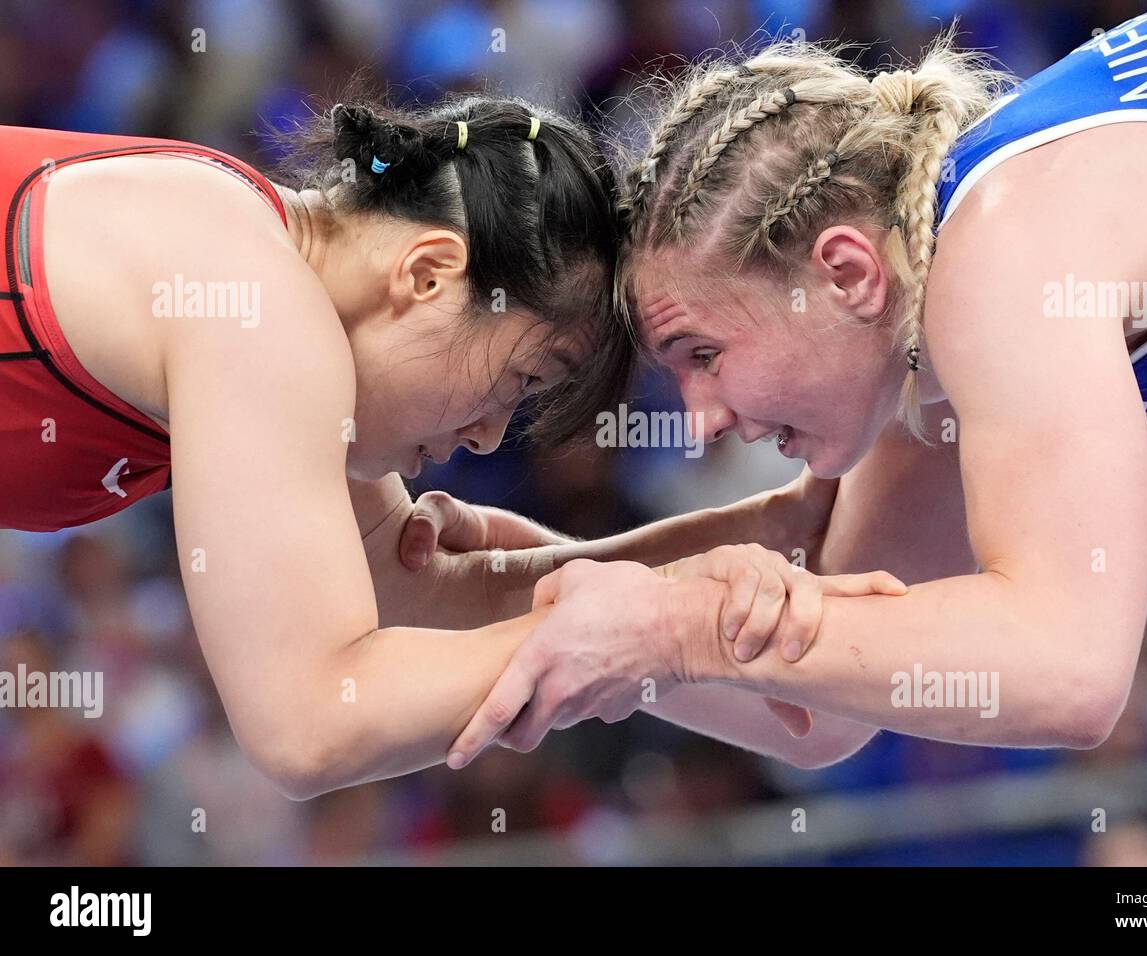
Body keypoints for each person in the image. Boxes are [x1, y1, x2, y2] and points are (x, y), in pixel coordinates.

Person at [400, 0, 1147, 766]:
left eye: (703, 354)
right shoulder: (933, 329)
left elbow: (1071, 666)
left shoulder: (1004, 259)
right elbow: (822, 714)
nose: (702, 422)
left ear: (844, 273)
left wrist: (673, 628)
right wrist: (520, 589)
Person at [0, 93, 883, 798]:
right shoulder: (257, 314)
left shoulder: (264, 284)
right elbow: (310, 722)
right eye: (522, 382)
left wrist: (734, 545)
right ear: (427, 273)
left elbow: (407, 600)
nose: (491, 435)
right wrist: (669, 627)